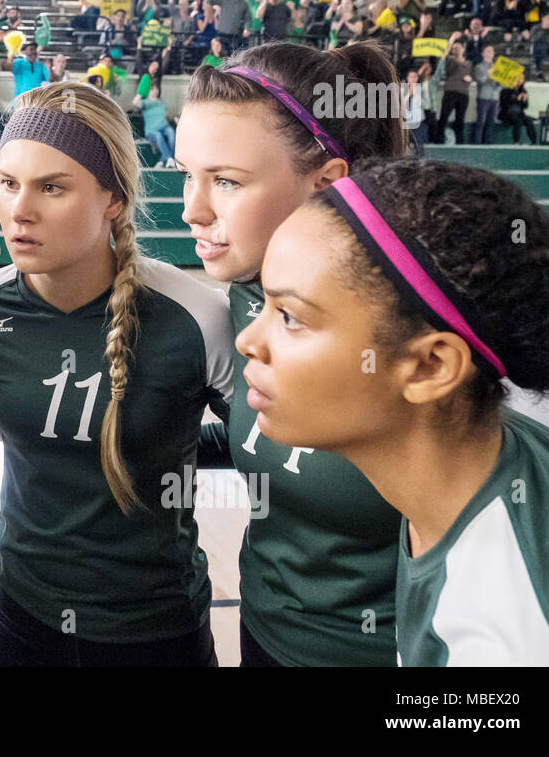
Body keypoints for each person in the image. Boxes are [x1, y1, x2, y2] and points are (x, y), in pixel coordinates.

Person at [0, 81, 234, 666]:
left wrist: (173, 443)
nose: (19, 209)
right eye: (8, 183)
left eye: (51, 187)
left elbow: (263, 448)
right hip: (24, 621)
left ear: (112, 198)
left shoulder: (197, 317)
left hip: (159, 631)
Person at [239, 157, 549, 665]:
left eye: (291, 317)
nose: (247, 341)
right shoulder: (481, 462)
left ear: (430, 366)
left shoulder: (510, 638)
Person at [178, 41, 409, 667]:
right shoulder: (249, 296)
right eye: (187, 176)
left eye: (225, 181)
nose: (192, 210)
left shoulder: (417, 333)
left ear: (326, 185)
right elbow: (273, 446)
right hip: (262, 634)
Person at [471, 44, 500, 145]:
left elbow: (500, 84)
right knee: (480, 123)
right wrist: (489, 73)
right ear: (483, 53)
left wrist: (499, 82)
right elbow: (480, 80)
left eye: (491, 51)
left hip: (494, 97)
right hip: (483, 97)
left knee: (491, 123)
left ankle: (488, 144)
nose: (489, 54)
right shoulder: (478, 66)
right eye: (487, 51)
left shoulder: (497, 67)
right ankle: (477, 144)